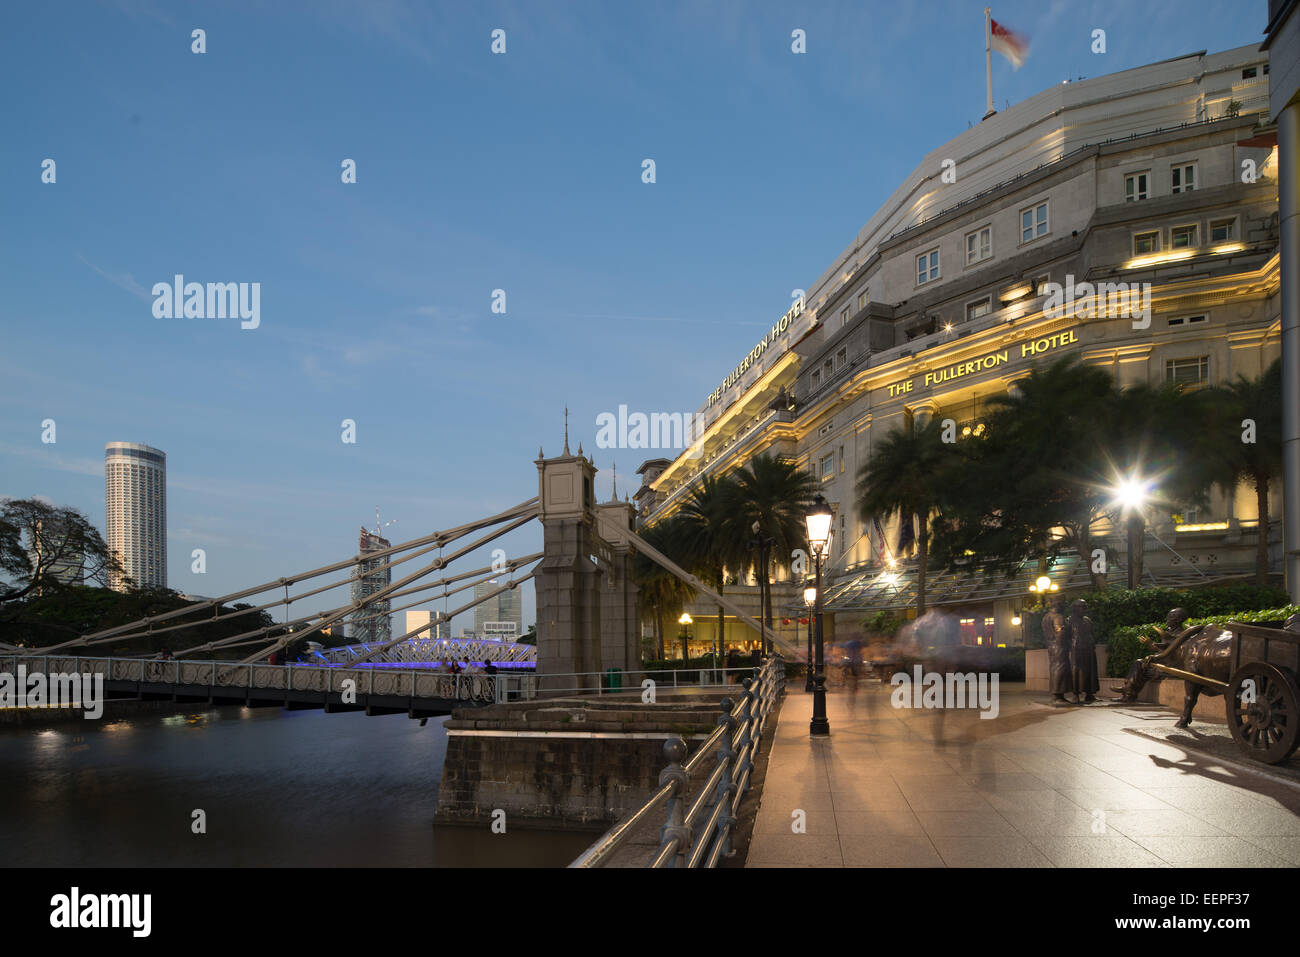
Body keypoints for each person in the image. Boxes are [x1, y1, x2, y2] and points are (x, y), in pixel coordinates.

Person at [1067, 599, 1099, 703]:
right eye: (1082, 607)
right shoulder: (1069, 620)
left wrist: (1092, 643)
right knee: (1076, 671)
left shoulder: (1087, 620)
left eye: (1085, 607)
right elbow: (1066, 636)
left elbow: (1092, 633)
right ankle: (1075, 694)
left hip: (1089, 648)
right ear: (1075, 608)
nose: (1084, 609)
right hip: (1077, 649)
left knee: (1091, 671)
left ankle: (1090, 694)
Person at [1043, 595, 1072, 703]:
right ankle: (1058, 695)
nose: (1065, 605)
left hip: (1051, 646)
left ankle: (1057, 694)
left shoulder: (1046, 616)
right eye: (1063, 603)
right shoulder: (1058, 617)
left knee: (1055, 668)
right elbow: (1060, 633)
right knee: (1060, 669)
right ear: (1058, 604)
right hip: (1059, 646)